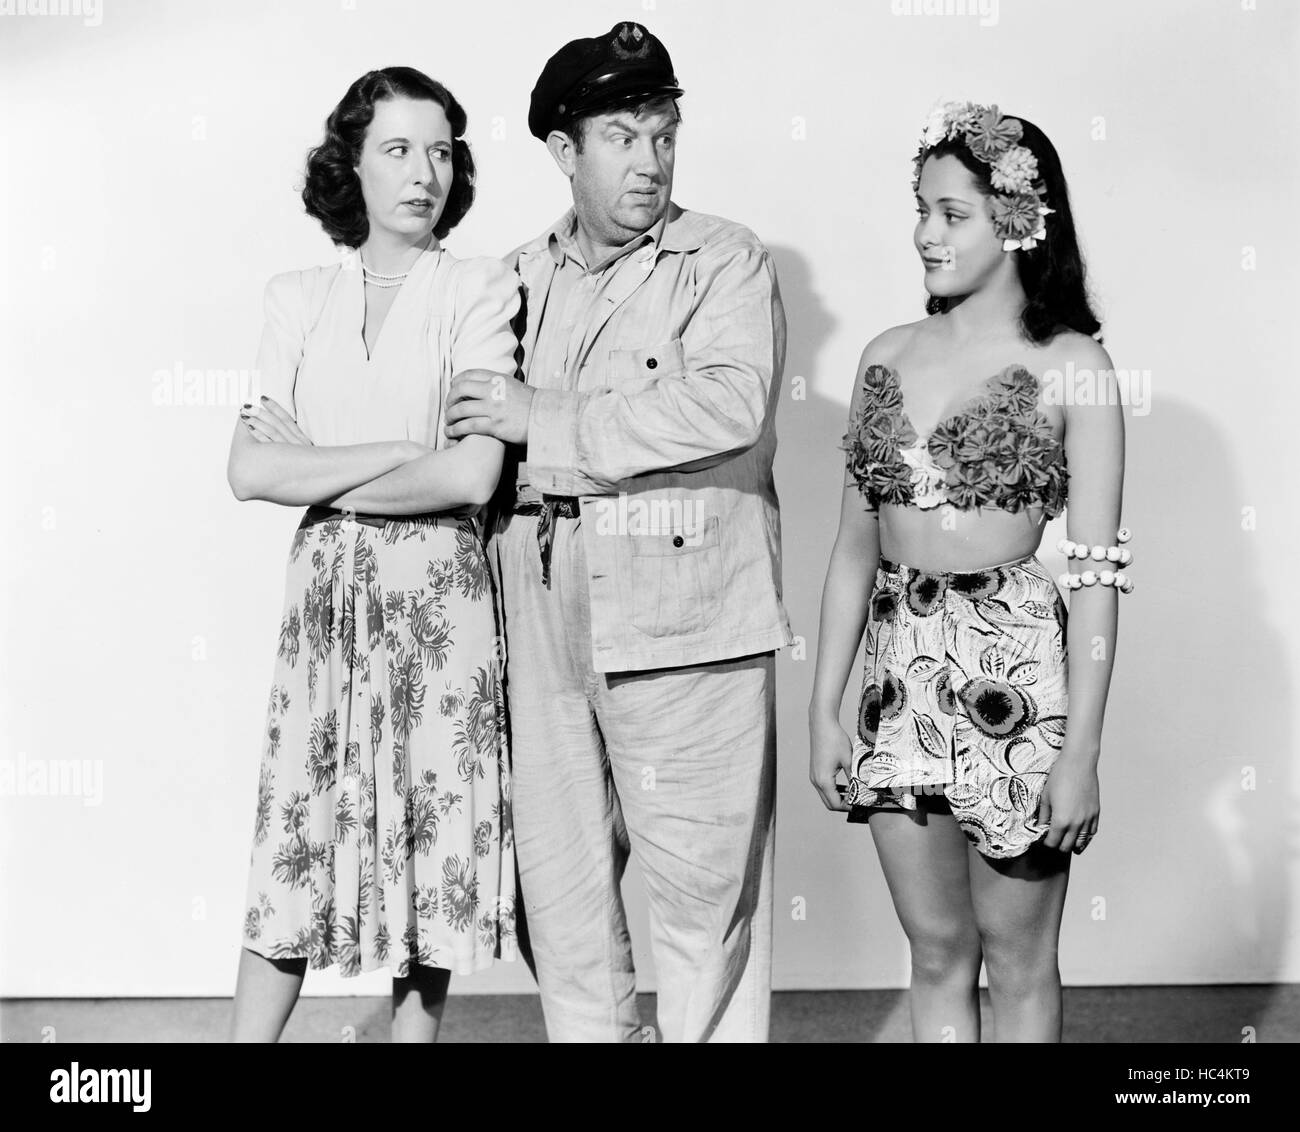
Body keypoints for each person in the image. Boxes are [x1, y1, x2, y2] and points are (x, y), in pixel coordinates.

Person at [443, 21, 793, 1042]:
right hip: (541, 620)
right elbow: (462, 433)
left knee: (701, 901)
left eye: (664, 133)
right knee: (561, 905)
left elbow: (726, 406)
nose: (651, 159)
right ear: (563, 149)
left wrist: (535, 418)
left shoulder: (722, 260)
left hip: (689, 624)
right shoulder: (511, 278)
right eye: (622, 135)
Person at [809, 101, 1129, 1043]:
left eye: (953, 213)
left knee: (1019, 960)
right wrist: (825, 709)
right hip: (896, 679)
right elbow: (850, 553)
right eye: (921, 208)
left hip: (1021, 674)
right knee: (938, 952)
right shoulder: (884, 358)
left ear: (1021, 219)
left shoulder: (1075, 366)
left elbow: (1100, 573)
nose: (924, 232)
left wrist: (1082, 753)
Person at [226, 67, 520, 1043]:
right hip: (326, 605)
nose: (422, 172)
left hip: (440, 602)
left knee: (427, 842)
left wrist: (313, 469)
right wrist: (404, 453)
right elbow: (247, 468)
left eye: (440, 150)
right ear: (351, 163)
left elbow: (474, 477)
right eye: (397, 149)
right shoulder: (297, 296)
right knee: (296, 845)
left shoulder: (481, 287)